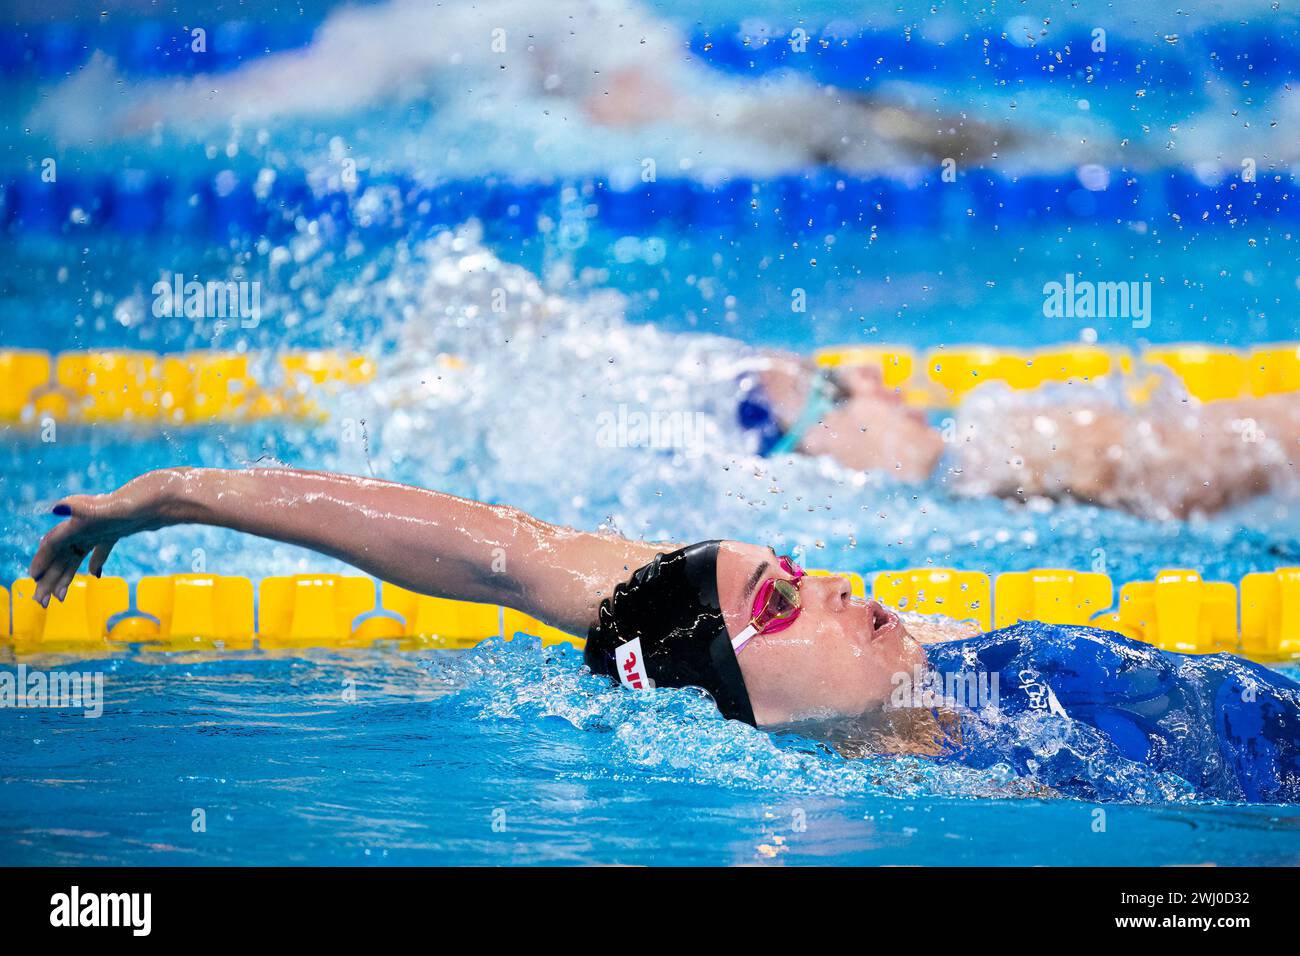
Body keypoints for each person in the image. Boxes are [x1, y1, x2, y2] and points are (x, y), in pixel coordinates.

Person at [29, 465, 1300, 801]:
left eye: (795, 573)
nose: (839, 586)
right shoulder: (938, 781)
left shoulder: (969, 673)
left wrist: (178, 496)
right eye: (777, 605)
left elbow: (505, 553)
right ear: (730, 701)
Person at [741, 352, 1300, 519]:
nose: (868, 372)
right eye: (832, 388)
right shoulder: (1005, 446)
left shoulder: (978, 459)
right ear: (807, 456)